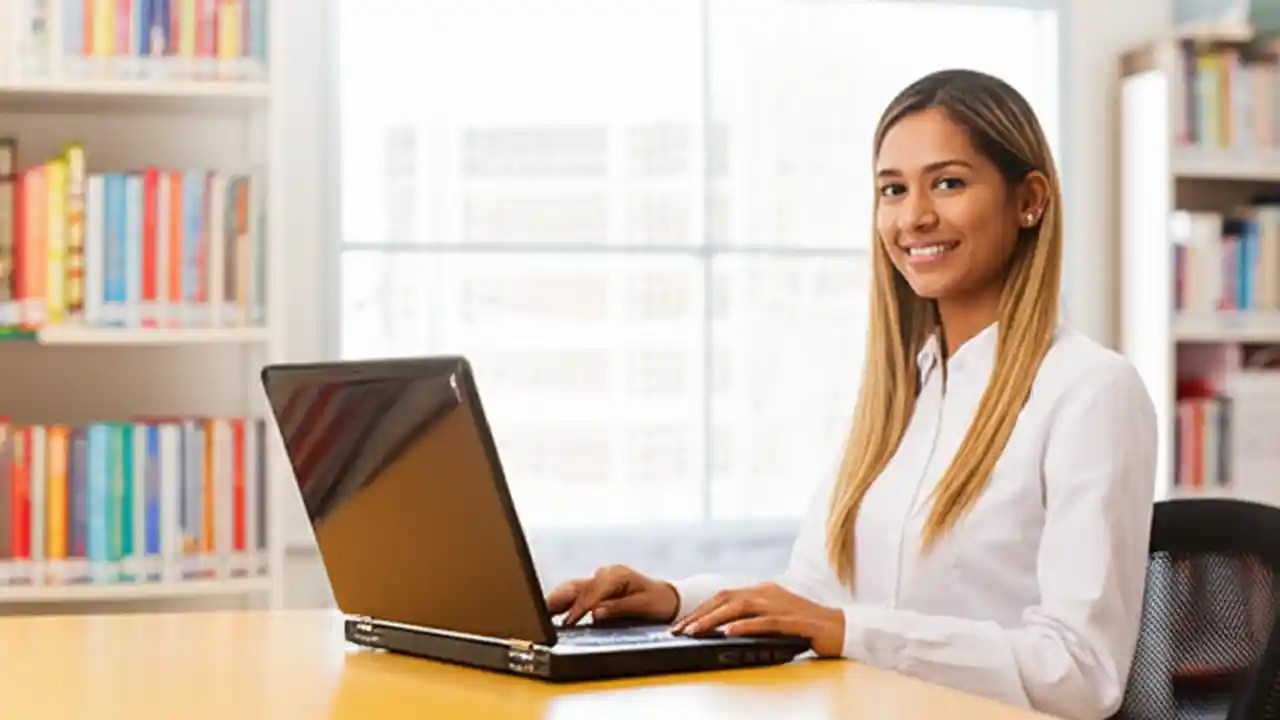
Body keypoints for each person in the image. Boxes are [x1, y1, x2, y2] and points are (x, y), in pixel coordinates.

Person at [544, 68, 1157, 720]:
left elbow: (1080, 673)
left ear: (1029, 199)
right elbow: (814, 591)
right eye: (892, 190)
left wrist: (849, 631)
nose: (914, 216)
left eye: (948, 183)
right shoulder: (904, 395)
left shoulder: (1090, 392)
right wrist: (674, 600)